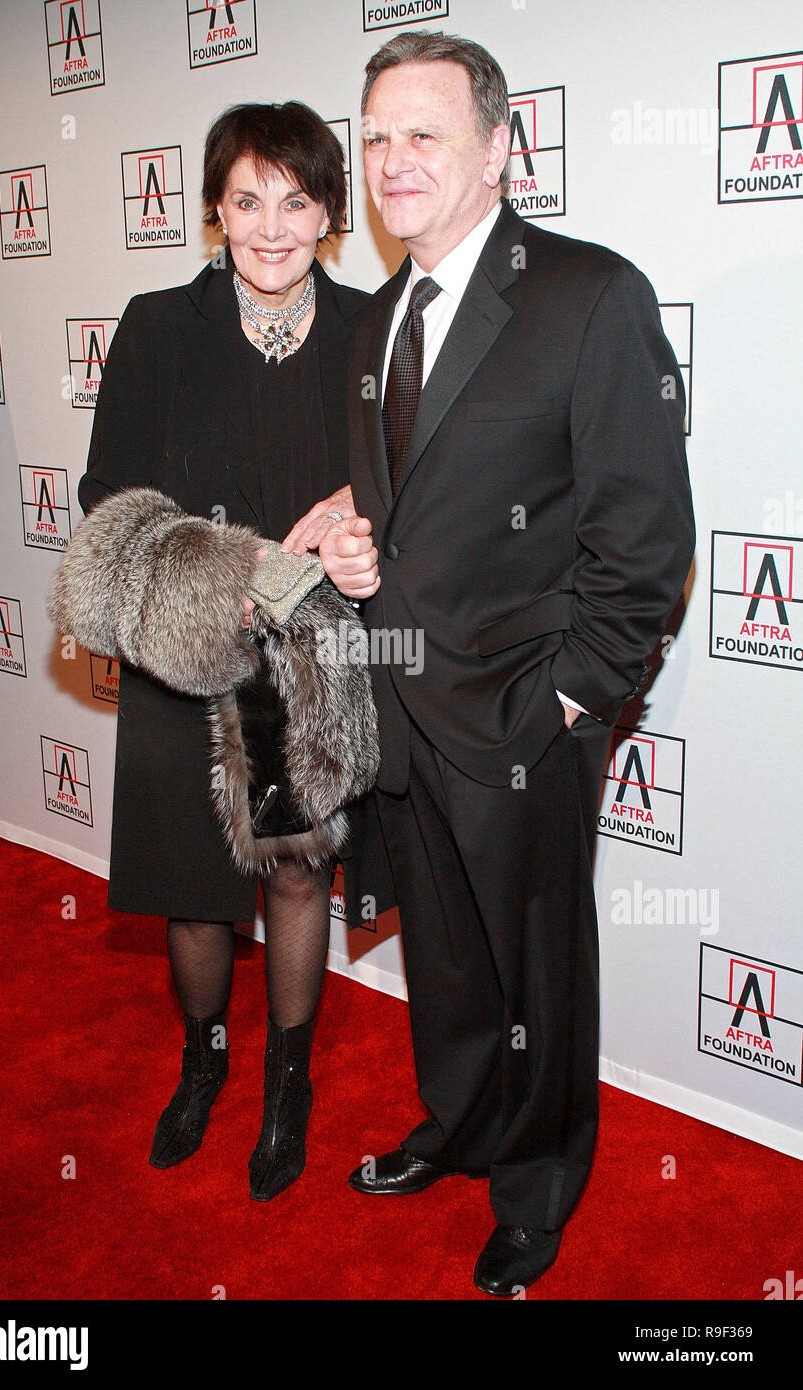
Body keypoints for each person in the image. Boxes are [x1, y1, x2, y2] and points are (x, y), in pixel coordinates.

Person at [284, 32, 695, 1292]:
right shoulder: (376, 322)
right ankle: (456, 1126)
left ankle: (536, 1185)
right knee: (448, 962)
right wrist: (359, 559)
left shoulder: (585, 294)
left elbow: (644, 539)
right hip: (403, 710)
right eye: (378, 138)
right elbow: (408, 515)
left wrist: (567, 698)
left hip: (525, 722)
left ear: (496, 148)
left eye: (424, 134)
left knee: (537, 973)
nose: (394, 162)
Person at [75, 101, 387, 1202]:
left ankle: (286, 1081)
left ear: (329, 214)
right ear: (215, 205)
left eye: (295, 202)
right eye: (247, 199)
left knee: (298, 868)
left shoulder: (369, 334)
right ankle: (202, 1058)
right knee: (199, 893)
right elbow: (107, 497)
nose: (269, 227)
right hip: (186, 648)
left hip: (303, 667)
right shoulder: (158, 325)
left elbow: (412, 490)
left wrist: (365, 516)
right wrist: (226, 573)